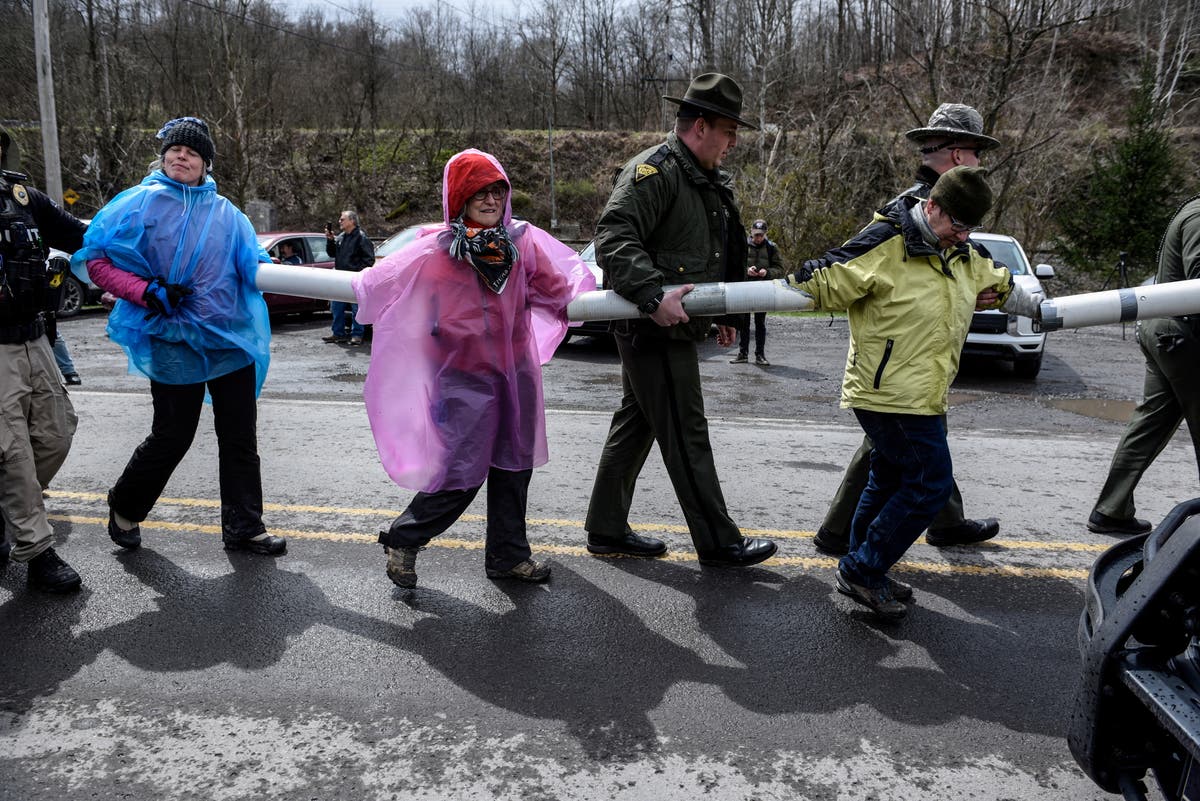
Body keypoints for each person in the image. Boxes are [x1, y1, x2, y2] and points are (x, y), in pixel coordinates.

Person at [788, 167, 1040, 619]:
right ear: (932, 207)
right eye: (955, 225)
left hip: (923, 392)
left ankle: (863, 566)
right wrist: (781, 276)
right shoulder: (887, 242)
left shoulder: (963, 253)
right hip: (887, 394)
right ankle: (864, 569)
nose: (961, 237)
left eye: (969, 229)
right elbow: (823, 279)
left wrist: (1005, 294)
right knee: (929, 483)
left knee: (886, 479)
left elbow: (999, 279)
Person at [354, 149, 594, 588]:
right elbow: (376, 285)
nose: (489, 200)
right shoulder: (436, 249)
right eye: (478, 192)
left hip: (515, 374)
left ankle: (508, 556)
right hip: (460, 378)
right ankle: (404, 538)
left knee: (514, 467)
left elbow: (557, 286)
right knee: (460, 473)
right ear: (459, 198)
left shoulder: (521, 242)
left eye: (497, 191)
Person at [583, 73, 777, 567]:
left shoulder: (703, 175)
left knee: (640, 421)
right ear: (700, 126)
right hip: (653, 326)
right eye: (729, 132)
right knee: (686, 428)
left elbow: (715, 248)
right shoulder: (656, 171)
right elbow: (614, 238)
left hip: (676, 323)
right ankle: (719, 541)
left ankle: (606, 528)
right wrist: (652, 297)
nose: (734, 143)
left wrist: (724, 311)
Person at [76, 116, 285, 556]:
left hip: (230, 342)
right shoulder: (138, 204)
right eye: (174, 150)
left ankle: (245, 527)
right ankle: (125, 506)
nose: (181, 156)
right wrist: (147, 292)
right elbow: (97, 262)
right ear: (163, 156)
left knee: (240, 438)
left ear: (206, 163)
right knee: (173, 435)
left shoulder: (229, 213)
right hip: (172, 340)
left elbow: (256, 264)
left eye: (191, 152)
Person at [805, 102, 1005, 557]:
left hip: (914, 359)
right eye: (976, 153)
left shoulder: (946, 200)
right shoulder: (913, 211)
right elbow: (847, 268)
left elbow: (962, 268)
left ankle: (937, 520)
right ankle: (848, 539)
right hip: (896, 359)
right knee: (897, 450)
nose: (979, 163)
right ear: (957, 154)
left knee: (901, 447)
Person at [0, 127, 86, 590]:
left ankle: (6, 508)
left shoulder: (23, 197)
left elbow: (80, 234)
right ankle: (37, 552)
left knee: (57, 432)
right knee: (11, 454)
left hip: (36, 338)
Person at [1087, 195, 1200, 537]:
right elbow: (1199, 280)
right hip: (1181, 333)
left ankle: (1111, 509)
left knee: (1151, 421)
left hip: (1166, 330)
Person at [730, 218, 786, 366]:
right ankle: (742, 353)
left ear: (765, 234)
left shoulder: (771, 248)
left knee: (760, 323)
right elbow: (734, 266)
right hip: (745, 288)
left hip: (763, 289)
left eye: (761, 235)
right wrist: (746, 271)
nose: (758, 237)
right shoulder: (743, 246)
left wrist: (766, 273)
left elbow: (780, 269)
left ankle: (760, 355)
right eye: (756, 235)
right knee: (744, 323)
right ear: (751, 233)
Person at [324, 210, 374, 346]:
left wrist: (357, 274)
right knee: (336, 307)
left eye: (342, 219)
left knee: (356, 308)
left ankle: (357, 334)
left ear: (352, 221)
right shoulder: (341, 237)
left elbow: (369, 260)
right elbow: (331, 253)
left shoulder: (362, 238)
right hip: (340, 278)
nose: (339, 222)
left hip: (354, 279)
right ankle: (338, 333)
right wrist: (330, 241)